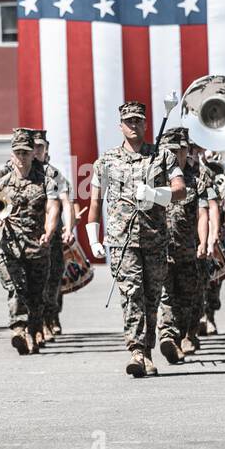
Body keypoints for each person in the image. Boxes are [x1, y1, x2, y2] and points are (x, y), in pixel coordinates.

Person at [86, 101, 186, 377]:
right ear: (120, 126)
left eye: (138, 121)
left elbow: (181, 190)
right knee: (132, 295)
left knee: (152, 298)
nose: (133, 125)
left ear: (145, 124)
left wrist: (157, 194)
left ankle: (148, 351)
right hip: (122, 240)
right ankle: (136, 351)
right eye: (128, 121)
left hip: (155, 239)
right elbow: (95, 200)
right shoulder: (106, 161)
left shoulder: (162, 156)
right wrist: (93, 236)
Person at [0, 127, 59, 354]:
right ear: (11, 154)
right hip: (12, 248)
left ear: (32, 154)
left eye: (26, 152)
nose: (21, 157)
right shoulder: (1, 184)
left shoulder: (46, 182)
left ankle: (33, 331)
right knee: (16, 289)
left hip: (37, 248)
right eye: (17, 152)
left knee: (37, 296)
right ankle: (18, 328)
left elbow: (53, 208)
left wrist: (48, 231)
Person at [156, 127, 214, 364]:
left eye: (178, 150)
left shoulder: (196, 182)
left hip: (188, 251)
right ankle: (167, 336)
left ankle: (180, 337)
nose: (174, 155)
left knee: (187, 299)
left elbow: (202, 214)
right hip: (161, 250)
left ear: (185, 151)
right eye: (169, 150)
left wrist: (203, 242)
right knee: (167, 297)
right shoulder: (155, 179)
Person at [34, 129, 74, 339]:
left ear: (46, 148)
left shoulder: (55, 175)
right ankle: (37, 323)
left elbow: (67, 204)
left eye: (40, 146)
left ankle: (50, 317)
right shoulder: (17, 174)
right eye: (33, 146)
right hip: (28, 237)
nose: (36, 150)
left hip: (53, 239)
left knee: (53, 280)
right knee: (33, 283)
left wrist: (68, 228)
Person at [199, 150, 225, 336]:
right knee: (198, 277)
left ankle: (210, 316)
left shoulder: (221, 173)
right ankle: (199, 317)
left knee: (215, 277)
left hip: (216, 231)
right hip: (198, 228)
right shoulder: (193, 168)